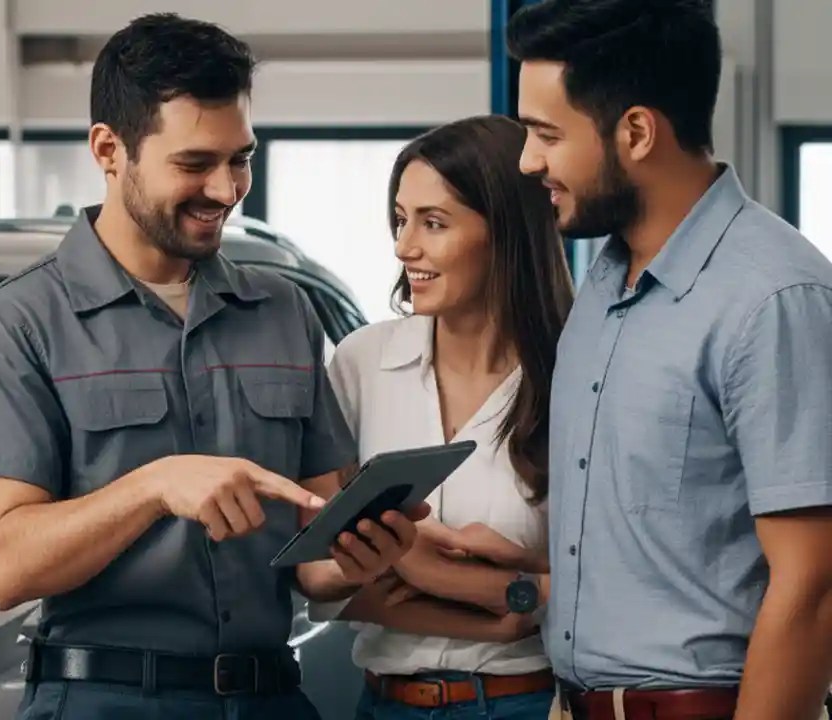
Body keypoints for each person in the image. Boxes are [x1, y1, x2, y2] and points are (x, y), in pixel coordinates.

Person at [0, 13, 423, 720]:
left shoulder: (283, 311)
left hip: (272, 700)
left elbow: (315, 564)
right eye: (195, 163)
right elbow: (3, 567)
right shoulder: (20, 324)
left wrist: (360, 551)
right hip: (104, 703)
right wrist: (155, 486)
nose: (228, 189)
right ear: (110, 150)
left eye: (242, 158)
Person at [505, 1, 832, 718]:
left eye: (546, 135)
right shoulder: (601, 281)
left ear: (637, 132)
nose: (529, 161)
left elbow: (813, 587)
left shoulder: (774, 296)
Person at [310, 115, 575, 720]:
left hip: (528, 705)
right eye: (401, 220)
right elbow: (321, 580)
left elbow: (604, 590)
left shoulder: (578, 374)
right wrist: (513, 589)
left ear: (506, 231)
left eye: (434, 223)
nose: (405, 247)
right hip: (383, 705)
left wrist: (415, 567)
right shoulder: (363, 363)